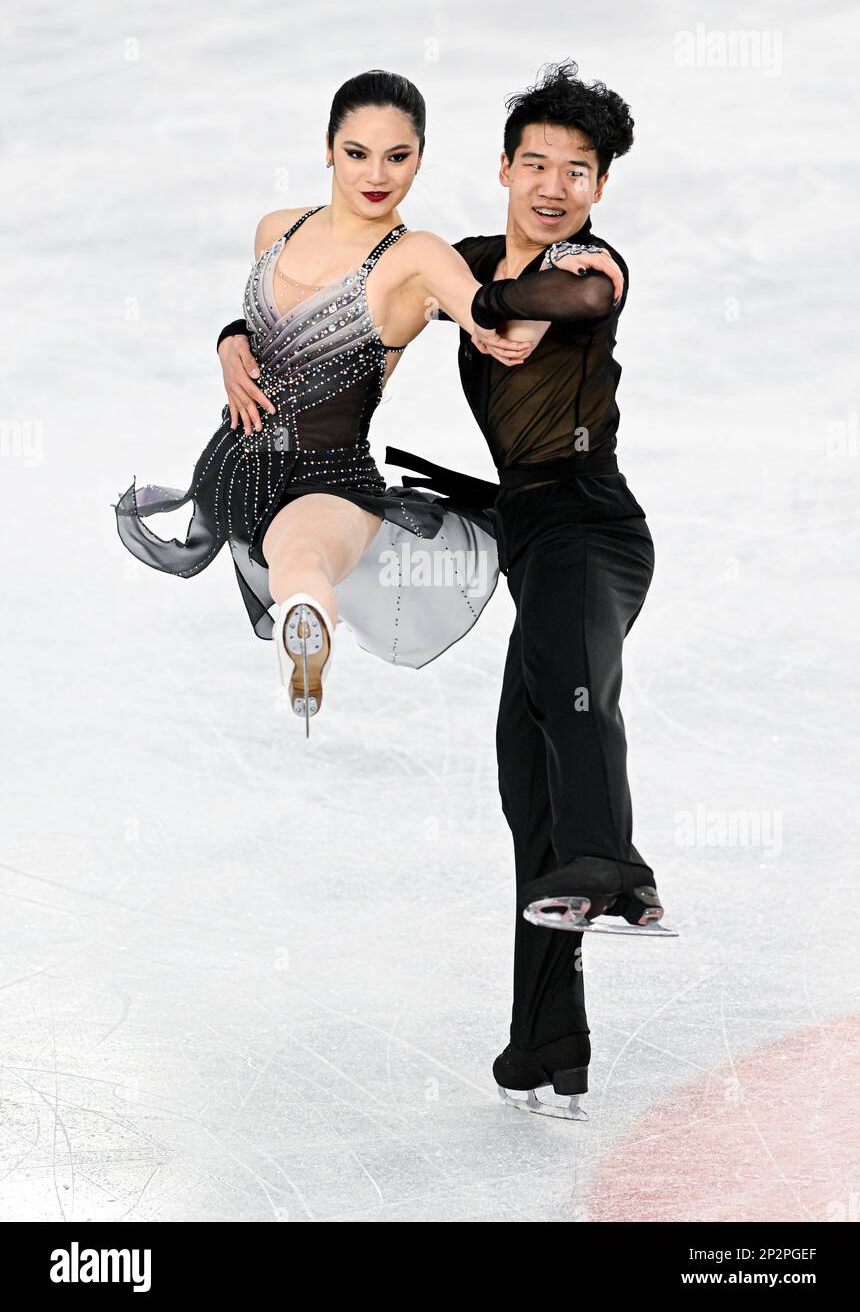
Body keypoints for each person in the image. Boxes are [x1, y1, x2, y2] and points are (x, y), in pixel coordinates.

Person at [217, 60, 671, 1121]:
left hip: (592, 529)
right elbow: (349, 299)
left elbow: (566, 298)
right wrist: (235, 333)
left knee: (568, 692)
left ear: (599, 186)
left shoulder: (588, 265)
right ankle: (545, 1038)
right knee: (526, 796)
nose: (553, 186)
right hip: (525, 526)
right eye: (535, 164)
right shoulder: (457, 263)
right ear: (503, 168)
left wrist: (493, 309)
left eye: (578, 170)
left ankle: (618, 864)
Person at [113, 70, 541, 734]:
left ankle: (306, 638)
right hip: (234, 471)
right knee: (291, 556)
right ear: (327, 147)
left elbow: (492, 321)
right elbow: (259, 335)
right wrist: (227, 341)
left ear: (420, 158)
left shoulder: (418, 257)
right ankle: (302, 614)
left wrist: (563, 266)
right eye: (357, 153)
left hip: (330, 477)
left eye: (398, 156)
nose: (377, 174)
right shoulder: (276, 230)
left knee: (302, 558)